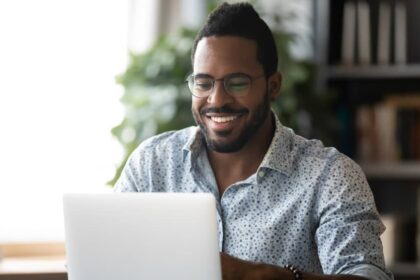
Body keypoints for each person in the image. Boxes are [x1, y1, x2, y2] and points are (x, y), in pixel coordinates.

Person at [114, 2, 393, 280]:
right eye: (203, 83)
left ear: (273, 86)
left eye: (237, 83)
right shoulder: (151, 164)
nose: (217, 100)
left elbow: (367, 276)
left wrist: (257, 275)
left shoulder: (330, 177)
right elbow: (111, 259)